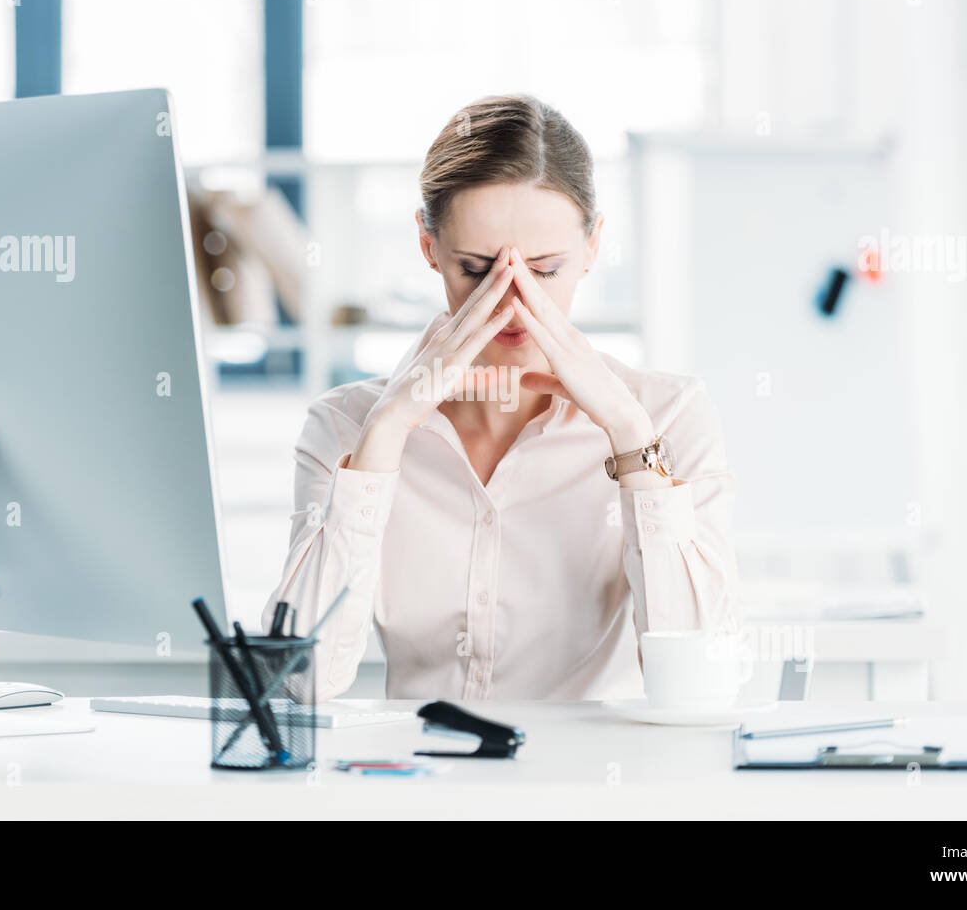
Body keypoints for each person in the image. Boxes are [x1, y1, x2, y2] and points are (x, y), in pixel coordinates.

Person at [263, 94, 738, 702]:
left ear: (593, 247)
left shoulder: (669, 415)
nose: (511, 306)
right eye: (477, 269)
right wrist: (386, 435)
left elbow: (698, 689)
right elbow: (303, 682)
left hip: (590, 785)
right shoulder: (344, 425)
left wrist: (628, 433)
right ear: (429, 246)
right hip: (419, 783)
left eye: (542, 271)